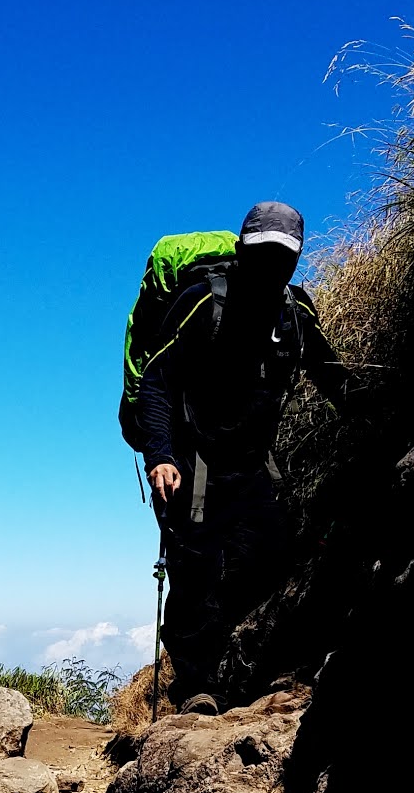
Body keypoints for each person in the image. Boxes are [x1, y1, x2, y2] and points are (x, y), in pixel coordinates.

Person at [136, 201, 355, 714]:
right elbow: (157, 385)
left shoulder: (294, 313)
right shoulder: (201, 302)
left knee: (270, 561)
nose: (273, 265)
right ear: (241, 250)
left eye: (283, 256)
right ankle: (194, 690)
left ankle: (230, 665)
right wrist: (162, 456)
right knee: (195, 574)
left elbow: (333, 376)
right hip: (194, 467)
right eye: (263, 253)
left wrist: (379, 406)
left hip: (254, 466)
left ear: (296, 259)